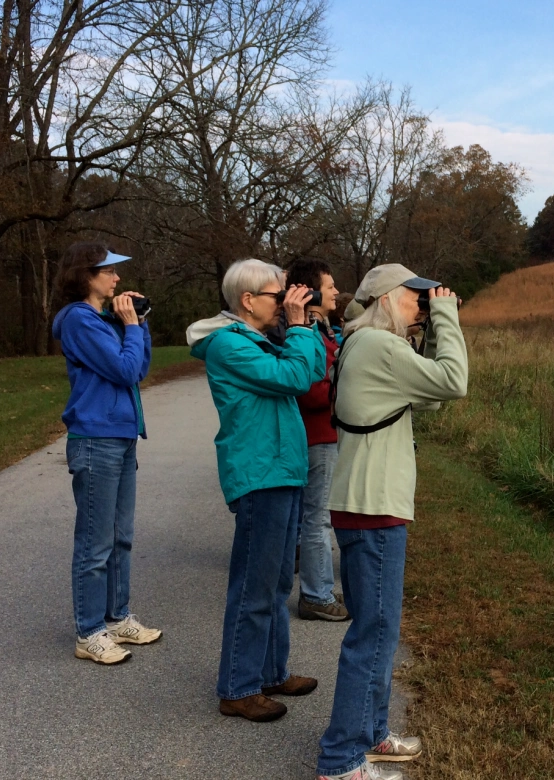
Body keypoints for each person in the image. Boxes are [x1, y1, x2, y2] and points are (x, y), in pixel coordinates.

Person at [316, 264, 468, 780]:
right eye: (414, 298)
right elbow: (455, 381)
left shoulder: (365, 344)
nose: (421, 305)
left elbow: (429, 396)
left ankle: (373, 732)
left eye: (427, 300)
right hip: (373, 507)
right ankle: (341, 760)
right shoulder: (380, 346)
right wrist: (447, 315)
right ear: (384, 300)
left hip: (364, 503)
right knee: (374, 635)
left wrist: (428, 330)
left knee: (377, 629)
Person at [187, 258, 326, 722]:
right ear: (248, 301)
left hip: (283, 467)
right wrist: (302, 327)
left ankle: (270, 670)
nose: (286, 303)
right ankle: (238, 687)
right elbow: (296, 378)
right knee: (254, 584)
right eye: (277, 295)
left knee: (278, 580)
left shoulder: (263, 340)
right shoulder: (229, 345)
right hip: (260, 472)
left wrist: (305, 328)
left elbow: (314, 372)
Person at [51, 242, 161, 665]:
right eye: (108, 271)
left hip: (120, 435)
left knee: (121, 537)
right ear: (86, 275)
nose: (117, 279)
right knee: (95, 543)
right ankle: (89, 631)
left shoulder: (103, 319)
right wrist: (129, 328)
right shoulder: (79, 320)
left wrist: (138, 324)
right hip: (95, 438)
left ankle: (116, 618)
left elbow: (140, 367)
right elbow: (125, 370)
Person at [286, 259, 349, 622]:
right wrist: (343, 387)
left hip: (325, 434)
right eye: (330, 286)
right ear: (311, 293)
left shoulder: (320, 329)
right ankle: (316, 594)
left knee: (318, 517)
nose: (336, 292)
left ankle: (320, 585)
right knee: (318, 520)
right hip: (317, 436)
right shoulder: (306, 333)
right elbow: (309, 393)